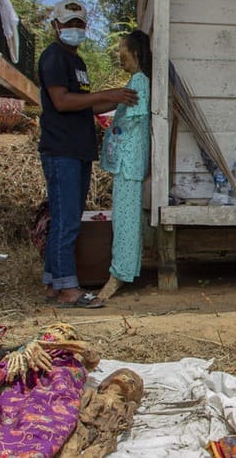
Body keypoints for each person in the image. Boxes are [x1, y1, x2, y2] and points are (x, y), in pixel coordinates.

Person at [38, 0, 137, 308]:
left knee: (66, 218)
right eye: (69, 24)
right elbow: (62, 102)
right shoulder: (54, 57)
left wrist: (120, 100)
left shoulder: (76, 62)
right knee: (67, 219)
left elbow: (87, 105)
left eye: (79, 24)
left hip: (77, 149)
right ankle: (69, 289)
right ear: (56, 26)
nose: (74, 30)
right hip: (61, 149)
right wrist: (109, 93)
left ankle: (53, 283)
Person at [96, 30, 152, 304]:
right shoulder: (134, 82)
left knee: (125, 221)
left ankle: (118, 276)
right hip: (126, 163)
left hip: (130, 164)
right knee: (125, 219)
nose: (120, 56)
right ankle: (123, 270)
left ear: (136, 54)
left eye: (123, 52)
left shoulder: (140, 82)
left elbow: (131, 121)